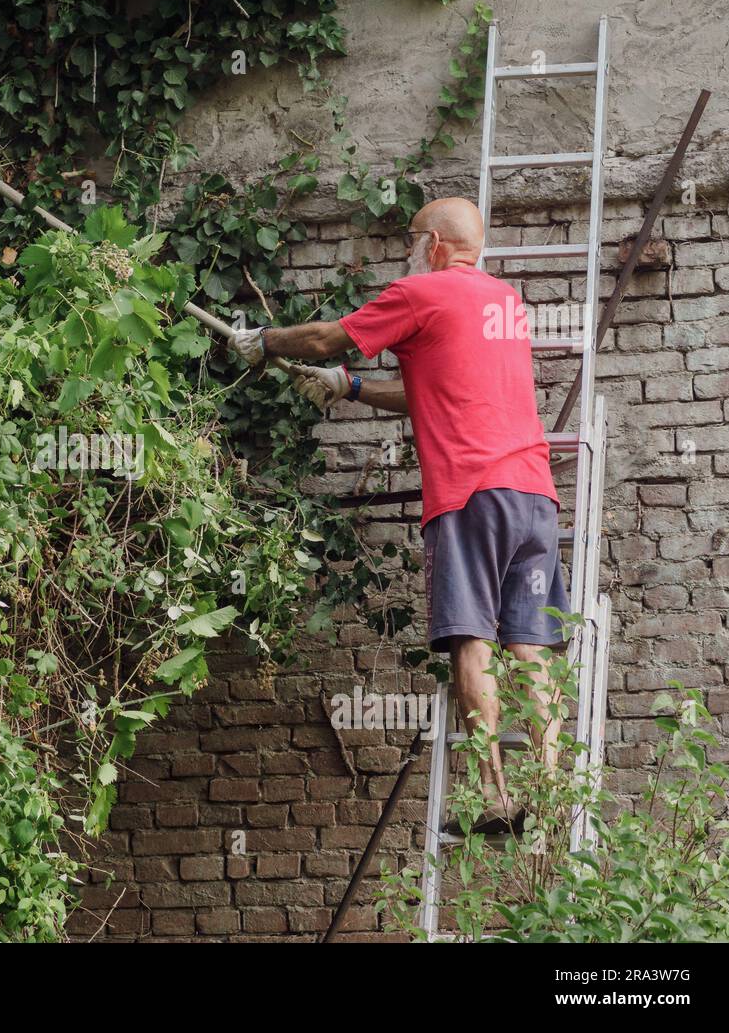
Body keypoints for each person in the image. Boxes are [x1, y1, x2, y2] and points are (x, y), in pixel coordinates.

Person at [231, 197, 569, 834]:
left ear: (436, 245)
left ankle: (495, 802)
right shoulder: (505, 305)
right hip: (534, 496)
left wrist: (265, 341)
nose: (406, 252)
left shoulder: (423, 291)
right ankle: (552, 794)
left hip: (471, 495)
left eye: (412, 240)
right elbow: (435, 392)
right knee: (532, 648)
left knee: (473, 638)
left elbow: (331, 336)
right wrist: (350, 387)